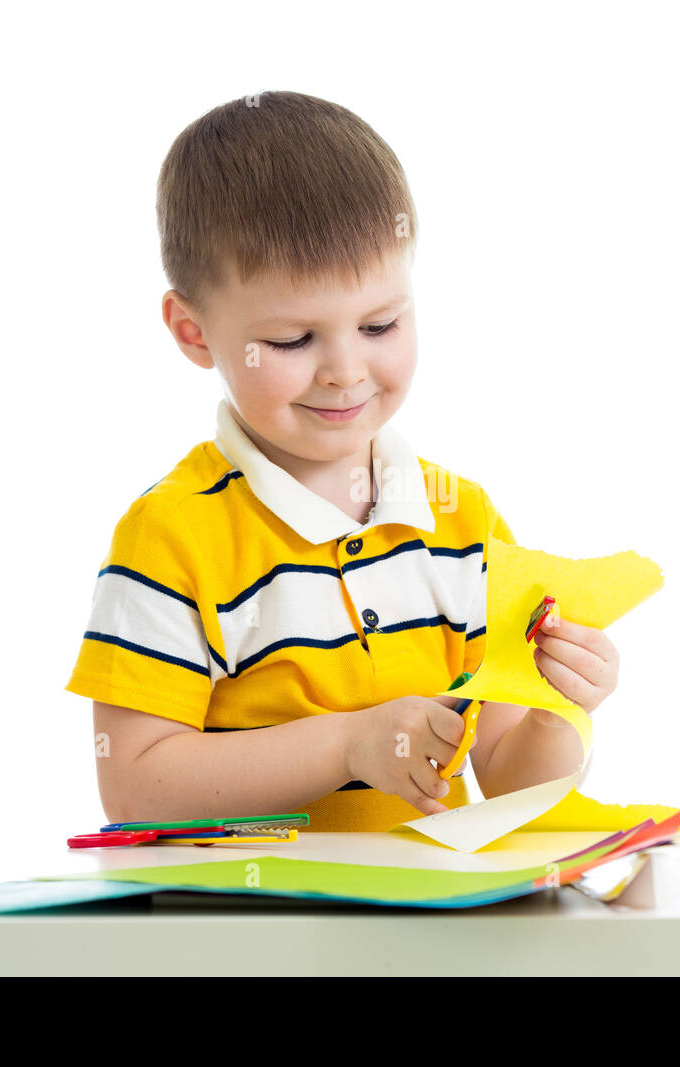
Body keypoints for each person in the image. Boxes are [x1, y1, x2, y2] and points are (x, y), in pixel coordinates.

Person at [66, 91, 619, 830]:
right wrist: (348, 744)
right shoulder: (169, 535)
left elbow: (510, 780)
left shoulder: (463, 519)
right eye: (294, 341)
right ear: (194, 332)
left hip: (428, 932)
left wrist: (557, 713)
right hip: (251, 931)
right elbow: (136, 786)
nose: (346, 370)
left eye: (379, 323)